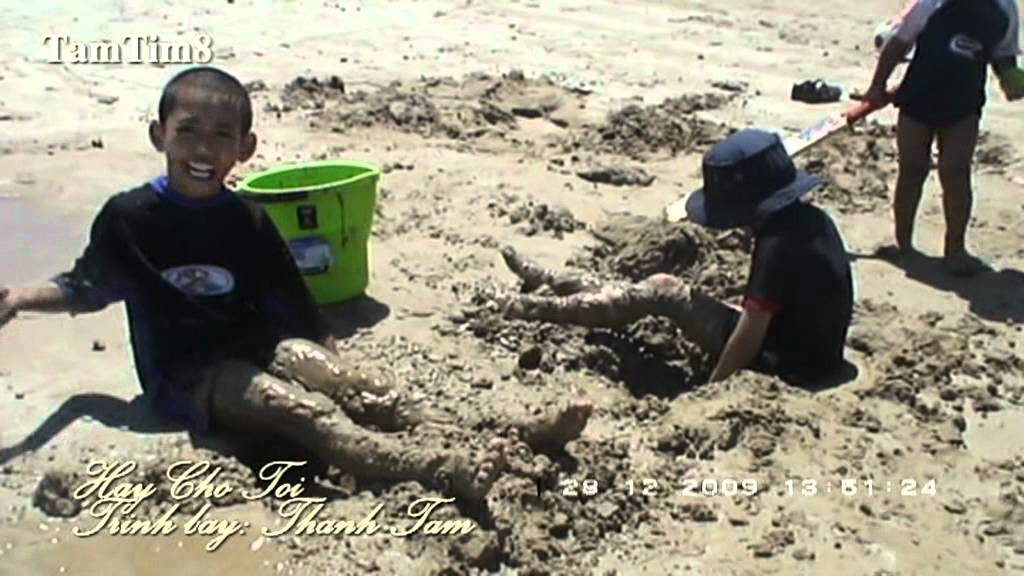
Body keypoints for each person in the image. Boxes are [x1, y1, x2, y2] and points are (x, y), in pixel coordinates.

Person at [0, 66, 591, 503]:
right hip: (187, 376)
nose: (204, 150)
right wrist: (18, 299)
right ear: (159, 135)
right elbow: (87, 287)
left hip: (258, 344)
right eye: (188, 132)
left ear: (246, 148)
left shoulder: (247, 218)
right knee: (306, 412)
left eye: (222, 136)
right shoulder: (128, 219)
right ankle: (436, 466)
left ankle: (514, 435)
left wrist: (326, 360)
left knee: (362, 387)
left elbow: (292, 301)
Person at [496, 129, 854, 387]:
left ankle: (536, 308)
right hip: (814, 354)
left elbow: (750, 332)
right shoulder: (812, 221)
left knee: (662, 290)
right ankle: (553, 282)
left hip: (786, 364)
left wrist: (717, 385)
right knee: (645, 289)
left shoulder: (776, 243)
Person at [866, 0, 1023, 276]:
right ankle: (902, 241)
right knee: (912, 169)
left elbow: (1003, 53)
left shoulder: (1004, 10)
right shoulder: (932, 3)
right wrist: (877, 85)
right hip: (917, 98)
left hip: (963, 105)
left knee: (955, 173)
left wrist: (1009, 76)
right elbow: (900, 42)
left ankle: (955, 250)